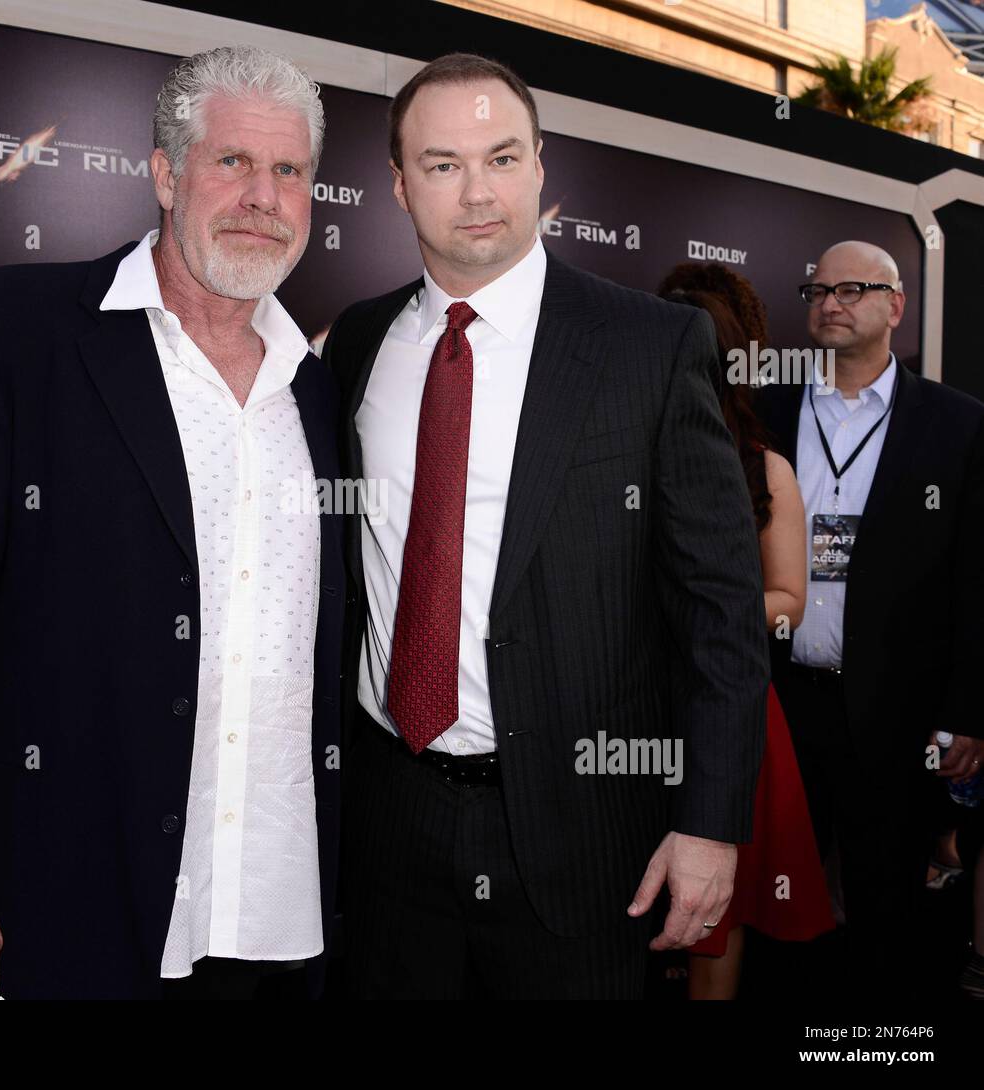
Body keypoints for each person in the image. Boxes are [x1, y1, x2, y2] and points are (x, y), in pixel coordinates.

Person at [0, 45, 345, 1000]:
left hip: (282, 919)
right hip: (65, 918)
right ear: (166, 174)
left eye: (290, 171)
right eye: (233, 162)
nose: (263, 196)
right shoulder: (13, 332)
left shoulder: (319, 390)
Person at [321, 52, 770, 999]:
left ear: (541, 167)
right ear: (399, 186)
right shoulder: (357, 342)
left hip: (583, 834)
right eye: (443, 164)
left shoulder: (649, 344)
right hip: (388, 817)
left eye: (502, 156)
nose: (477, 190)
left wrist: (713, 821)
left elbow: (719, 609)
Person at [755, 240, 984, 999]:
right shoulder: (764, 409)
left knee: (887, 908)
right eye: (816, 288)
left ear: (895, 306)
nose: (830, 301)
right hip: (782, 698)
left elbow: (976, 580)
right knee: (775, 897)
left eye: (853, 288)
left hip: (898, 711)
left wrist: (966, 713)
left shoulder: (958, 425)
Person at [657, 265, 836, 999]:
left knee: (716, 917)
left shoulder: (767, 469)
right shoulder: (615, 445)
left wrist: (693, 606)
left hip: (728, 713)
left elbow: (790, 601)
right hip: (621, 710)